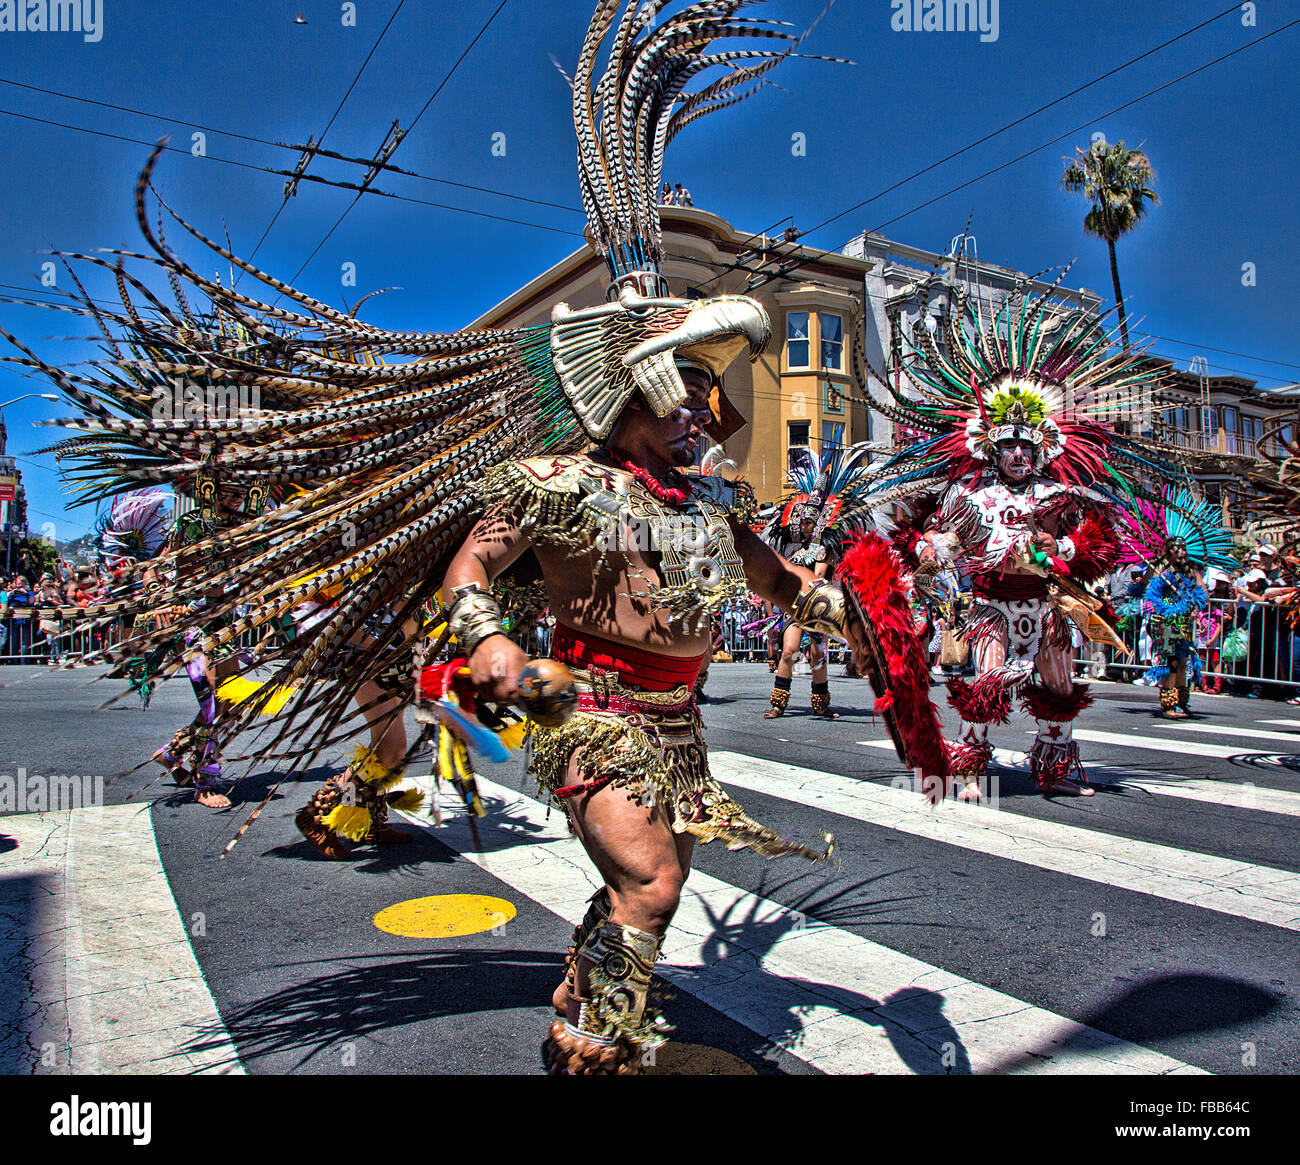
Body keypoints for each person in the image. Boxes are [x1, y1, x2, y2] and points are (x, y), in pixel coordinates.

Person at [762, 446, 875, 720]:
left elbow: (820, 578)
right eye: (802, 521)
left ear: (820, 524)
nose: (804, 526)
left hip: (816, 607)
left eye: (810, 522)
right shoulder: (794, 551)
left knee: (817, 656)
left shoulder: (823, 551)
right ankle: (779, 703)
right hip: (793, 607)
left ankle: (821, 703)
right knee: (788, 652)